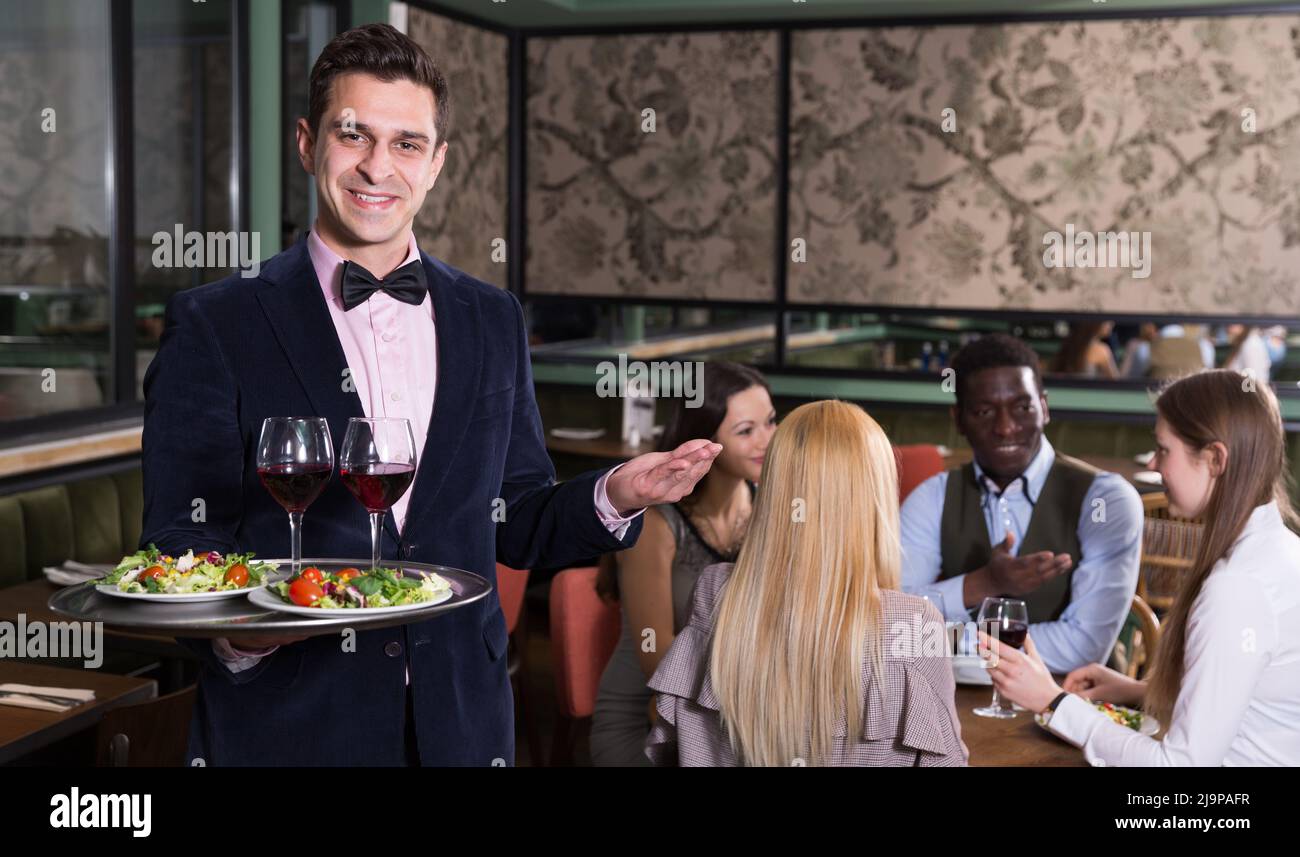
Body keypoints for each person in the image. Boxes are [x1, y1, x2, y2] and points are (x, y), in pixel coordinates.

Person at [140, 24, 721, 766]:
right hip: (289, 725)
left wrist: (617, 493)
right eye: (354, 136)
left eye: (407, 144)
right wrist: (244, 629)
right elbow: (178, 540)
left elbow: (517, 517)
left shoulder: (492, 316)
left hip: (462, 722)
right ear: (307, 143)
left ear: (437, 162)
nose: (378, 167)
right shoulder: (215, 322)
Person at [986, 370, 1300, 766]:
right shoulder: (1282, 550)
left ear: (1216, 459)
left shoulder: (1238, 588)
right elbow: (1253, 704)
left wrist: (1054, 702)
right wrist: (1138, 692)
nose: (1153, 463)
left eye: (1163, 450)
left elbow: (1181, 765)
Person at [646, 400, 968, 766]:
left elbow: (677, 744)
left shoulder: (713, 590)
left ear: (773, 487)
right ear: (875, 496)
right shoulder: (915, 622)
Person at [901, 334, 1142, 674]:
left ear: (1044, 408)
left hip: (1072, 707)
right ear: (958, 420)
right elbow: (893, 625)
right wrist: (982, 584)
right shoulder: (933, 496)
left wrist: (942, 643)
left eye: (1022, 407)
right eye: (984, 411)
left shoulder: (1104, 500)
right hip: (957, 705)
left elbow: (1083, 648)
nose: (1005, 427)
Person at [591, 362, 774, 766]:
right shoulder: (657, 520)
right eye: (746, 431)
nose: (767, 441)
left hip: (738, 715)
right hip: (645, 718)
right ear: (704, 440)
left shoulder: (774, 510)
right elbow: (655, 657)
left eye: (770, 422)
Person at [1049, 321, 1118, 379]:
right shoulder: (1101, 350)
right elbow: (1116, 381)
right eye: (1107, 320)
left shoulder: (1069, 343)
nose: (1112, 323)